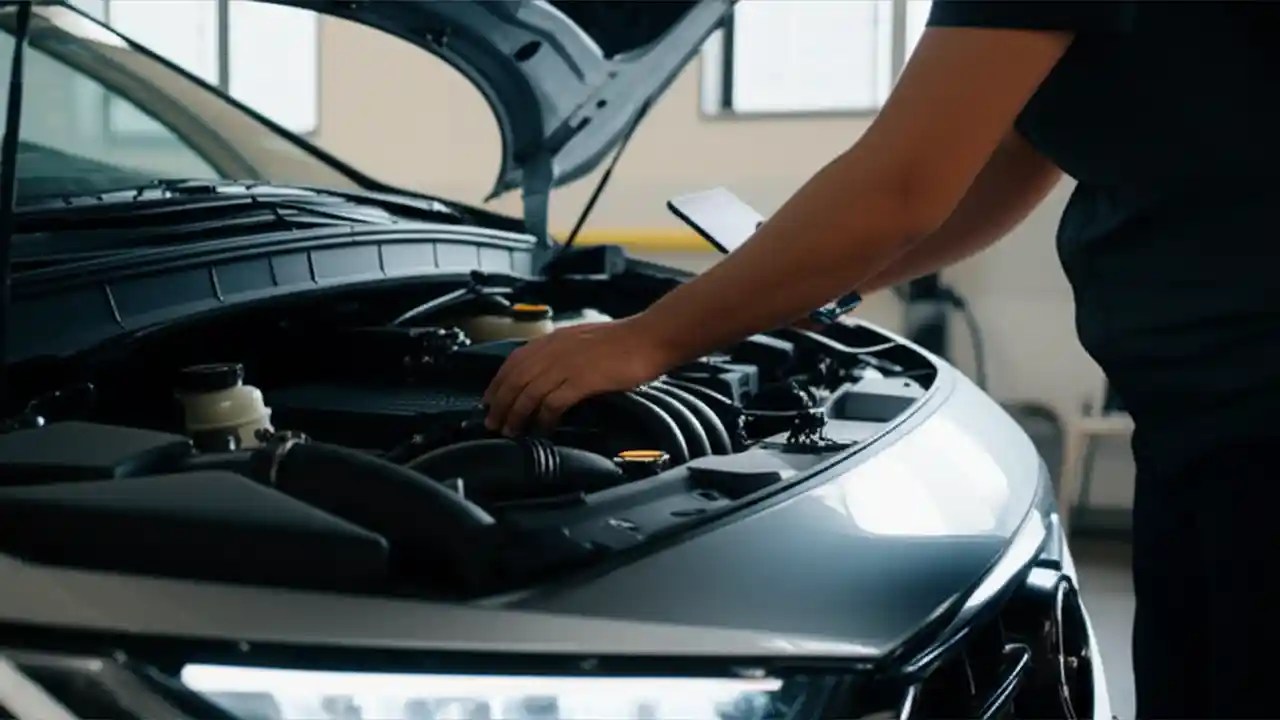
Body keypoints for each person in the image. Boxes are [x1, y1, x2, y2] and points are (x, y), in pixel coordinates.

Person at [484, 3, 1280, 717]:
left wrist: (646, 340)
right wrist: (820, 282)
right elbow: (1015, 151)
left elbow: (900, 186)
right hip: (1209, 420)